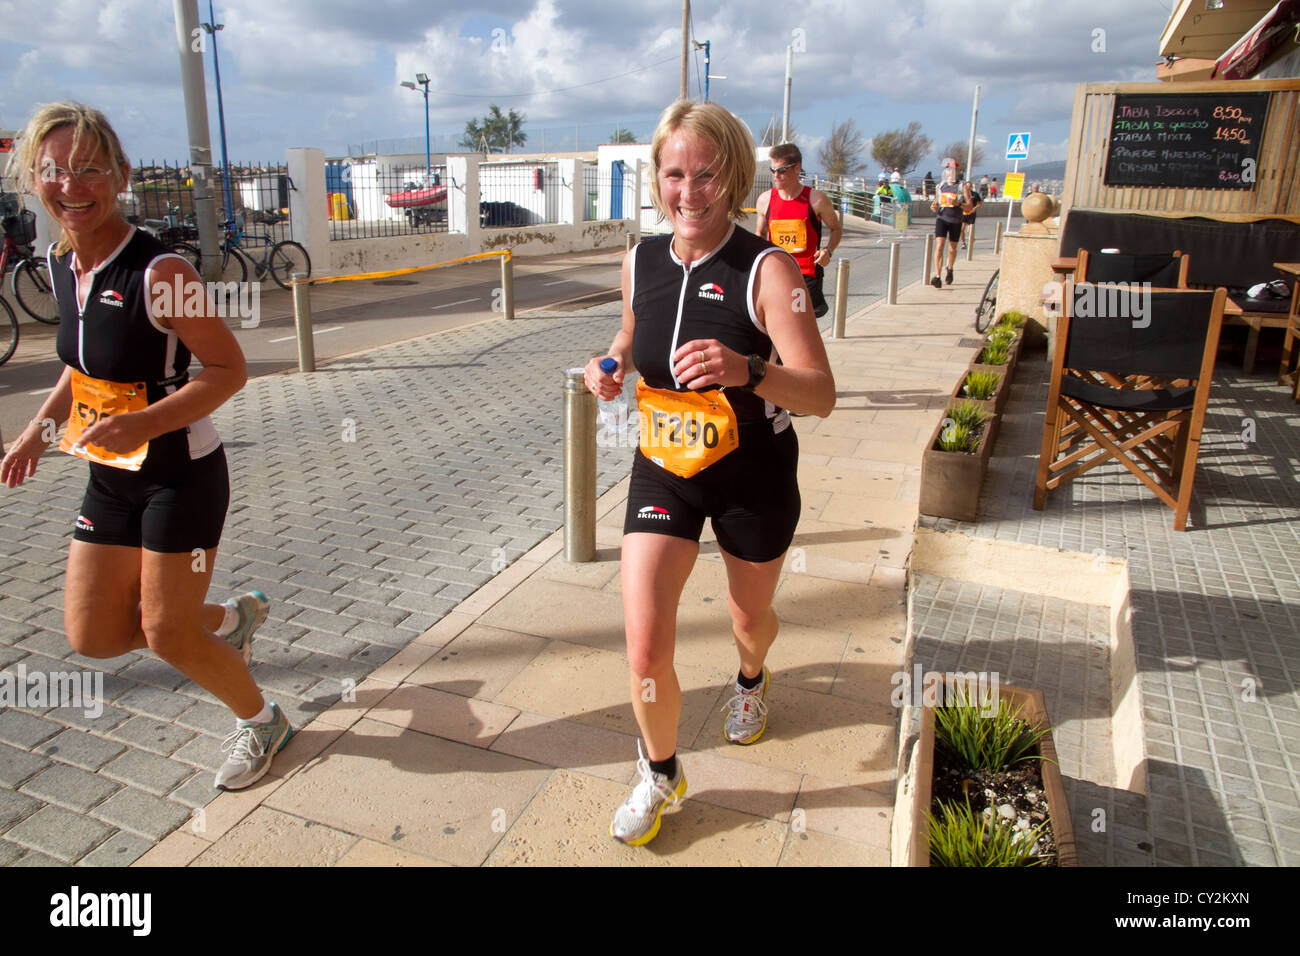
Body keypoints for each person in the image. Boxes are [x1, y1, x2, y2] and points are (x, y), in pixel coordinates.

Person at [0, 102, 287, 791]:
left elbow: (229, 371)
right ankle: (234, 618)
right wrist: (35, 433)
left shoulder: (160, 273)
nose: (70, 186)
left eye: (88, 170)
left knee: (166, 635)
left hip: (179, 476)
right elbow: (83, 367)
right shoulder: (60, 260)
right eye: (52, 171)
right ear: (31, 178)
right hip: (109, 474)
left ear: (121, 175)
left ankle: (262, 721)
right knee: (93, 637)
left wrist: (141, 424)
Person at [586, 100, 835, 847]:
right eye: (673, 174)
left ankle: (751, 679)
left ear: (732, 178)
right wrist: (613, 363)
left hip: (752, 470)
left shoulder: (767, 268)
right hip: (664, 463)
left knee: (747, 621)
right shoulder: (637, 260)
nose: (688, 193)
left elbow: (820, 392)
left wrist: (746, 368)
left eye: (705, 175)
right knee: (644, 644)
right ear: (657, 179)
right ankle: (661, 771)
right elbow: (634, 331)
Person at [754, 142, 842, 319]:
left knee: (801, 327)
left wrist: (828, 251)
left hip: (806, 276)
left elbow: (836, 229)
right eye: (773, 171)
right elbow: (760, 234)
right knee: (772, 325)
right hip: (775, 274)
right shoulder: (765, 200)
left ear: (797, 168)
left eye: (781, 170)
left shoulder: (816, 199)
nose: (776, 176)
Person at [929, 158, 973, 288]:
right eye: (949, 169)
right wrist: (933, 206)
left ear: (958, 171)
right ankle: (937, 276)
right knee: (939, 246)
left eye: (954, 169)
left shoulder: (962, 187)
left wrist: (958, 203)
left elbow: (969, 206)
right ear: (946, 171)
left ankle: (950, 268)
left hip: (956, 220)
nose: (951, 171)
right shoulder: (940, 186)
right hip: (942, 218)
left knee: (952, 248)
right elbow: (936, 203)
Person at [961, 177, 983, 249]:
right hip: (964, 214)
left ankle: (971, 240)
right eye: (967, 186)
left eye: (970, 186)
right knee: (961, 229)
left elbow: (980, 203)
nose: (968, 187)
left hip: (972, 214)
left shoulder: (975, 194)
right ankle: (963, 243)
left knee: (970, 230)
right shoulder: (962, 195)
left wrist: (975, 208)